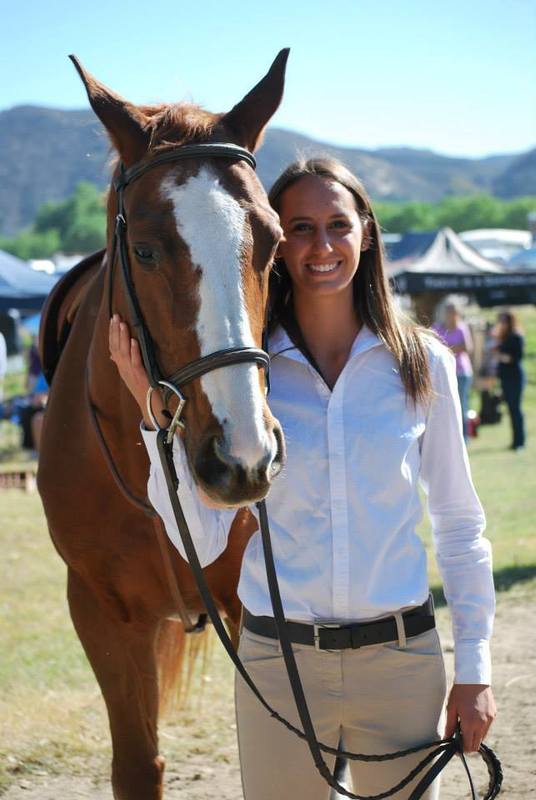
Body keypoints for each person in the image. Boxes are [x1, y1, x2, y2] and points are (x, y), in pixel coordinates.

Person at [109, 157, 496, 800]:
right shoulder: (246, 382)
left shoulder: (423, 363)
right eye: (302, 228)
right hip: (276, 662)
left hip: (403, 662)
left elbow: (460, 524)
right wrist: (158, 424)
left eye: (337, 225)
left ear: (365, 234)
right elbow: (201, 543)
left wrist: (476, 669)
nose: (321, 245)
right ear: (276, 243)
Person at [433, 303, 474, 441]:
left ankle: (464, 437)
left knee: (461, 405)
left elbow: (467, 348)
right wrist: (454, 348)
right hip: (443, 372)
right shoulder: (437, 328)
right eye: (449, 311)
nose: (451, 315)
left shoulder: (462, 328)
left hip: (462, 372)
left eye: (453, 312)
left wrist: (446, 348)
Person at [494, 310, 526, 450]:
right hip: (506, 378)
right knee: (511, 411)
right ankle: (515, 441)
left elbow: (517, 357)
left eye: (504, 321)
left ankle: (520, 442)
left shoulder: (516, 336)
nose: (502, 324)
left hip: (515, 378)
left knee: (516, 410)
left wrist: (501, 356)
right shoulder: (504, 336)